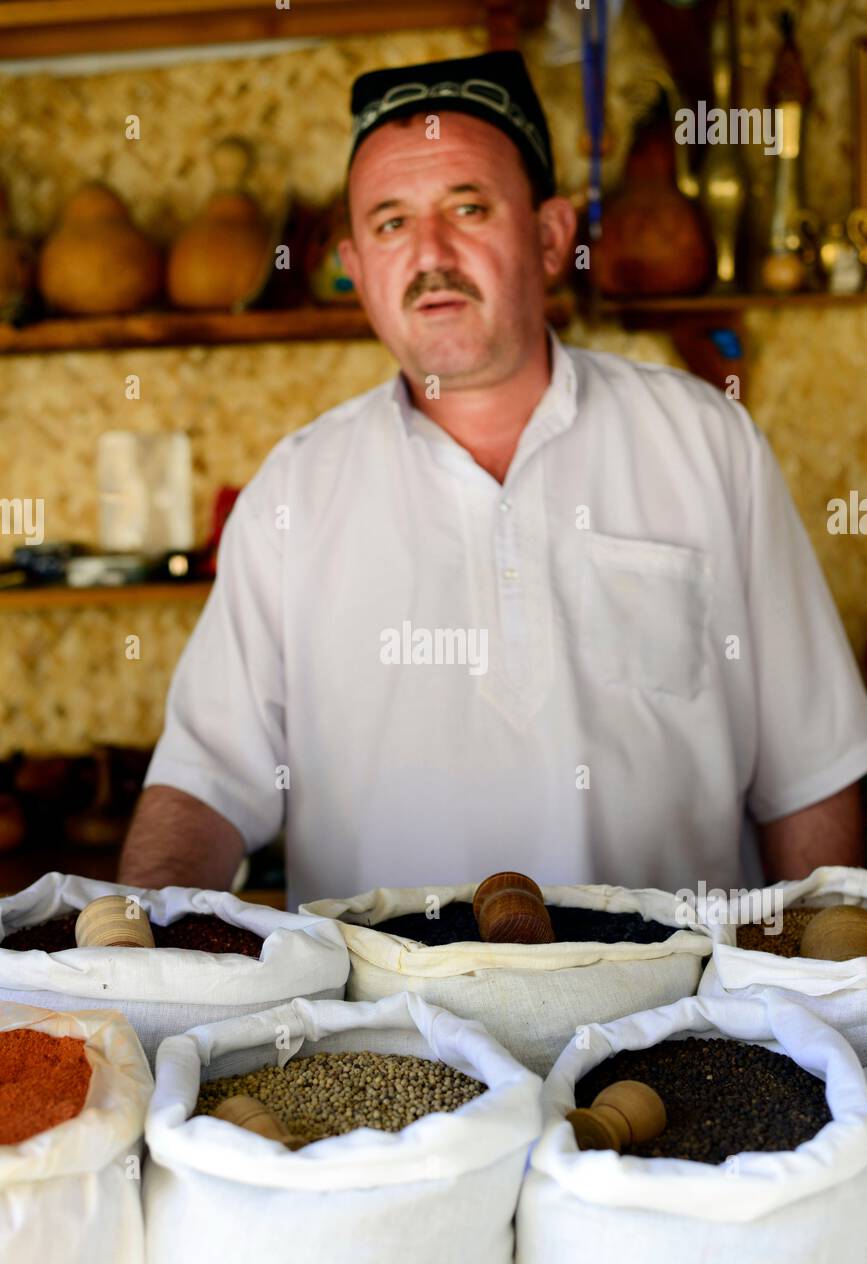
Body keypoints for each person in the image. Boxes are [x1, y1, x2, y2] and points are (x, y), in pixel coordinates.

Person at [120, 50, 867, 911]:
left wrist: (817, 1003)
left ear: (551, 238)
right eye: (391, 223)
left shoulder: (705, 442)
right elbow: (203, 784)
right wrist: (134, 953)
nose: (429, 253)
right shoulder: (295, 493)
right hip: (383, 1026)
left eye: (466, 208)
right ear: (357, 268)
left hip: (675, 1019)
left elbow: (810, 774)